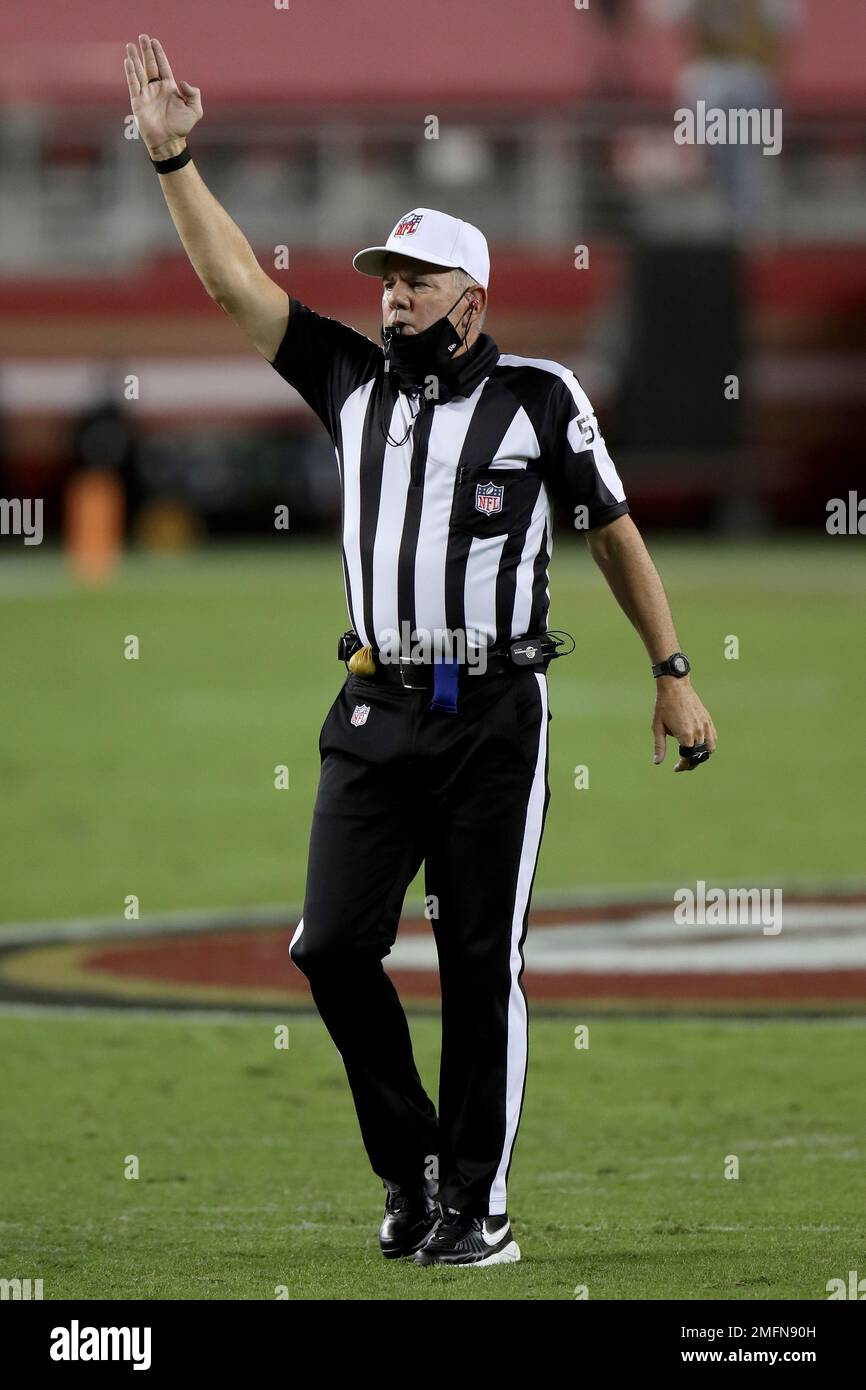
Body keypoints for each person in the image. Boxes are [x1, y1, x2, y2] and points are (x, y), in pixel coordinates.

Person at [124, 33, 718, 1269]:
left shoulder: (542, 397)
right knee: (331, 945)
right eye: (386, 275)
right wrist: (174, 158)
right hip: (373, 703)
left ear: (472, 298)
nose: (391, 294)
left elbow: (611, 532)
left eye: (416, 277)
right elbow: (239, 288)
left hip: (495, 709)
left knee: (473, 961)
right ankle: (413, 1171)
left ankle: (478, 1208)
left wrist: (669, 674)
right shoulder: (349, 379)